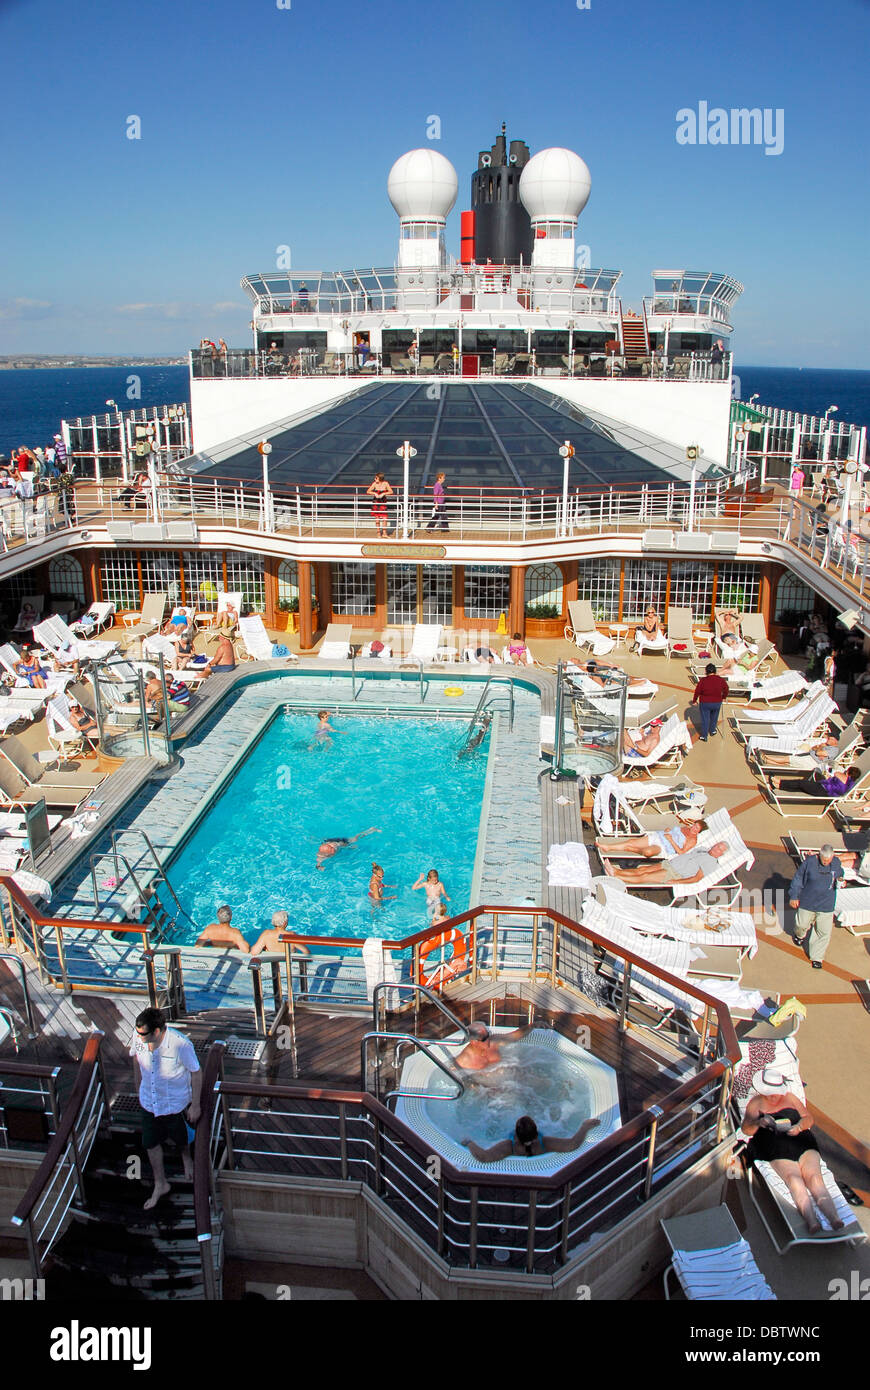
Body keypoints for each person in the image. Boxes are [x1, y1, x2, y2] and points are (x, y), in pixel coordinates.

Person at [742, 1082, 844, 1235]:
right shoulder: (755, 1103)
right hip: (776, 1147)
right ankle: (812, 1221)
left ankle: (834, 1218)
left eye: (777, 1092)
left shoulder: (790, 1098)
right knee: (794, 1179)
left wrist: (800, 1127)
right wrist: (758, 1123)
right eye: (771, 1093)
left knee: (815, 1178)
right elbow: (746, 1130)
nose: (775, 1096)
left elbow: (808, 1118)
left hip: (801, 1140)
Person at [130, 1006, 202, 1210]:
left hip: (175, 1103)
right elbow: (135, 1060)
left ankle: (186, 1158)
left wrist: (195, 1105)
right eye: (138, 1033)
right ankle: (160, 1183)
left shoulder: (181, 1045)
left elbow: (196, 1073)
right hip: (149, 1102)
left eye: (143, 1034)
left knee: (182, 1137)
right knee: (150, 1142)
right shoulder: (139, 1037)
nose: (139, 1037)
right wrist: (138, 1089)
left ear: (157, 1032)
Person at [463, 1113, 601, 1163]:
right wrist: (584, 1127)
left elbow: (484, 1157)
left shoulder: (508, 1147)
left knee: (491, 1129)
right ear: (536, 1135)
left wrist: (469, 1142)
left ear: (515, 1136)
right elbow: (572, 1145)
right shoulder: (544, 1144)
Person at [788, 844, 844, 968]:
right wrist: (794, 896)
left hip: (826, 904)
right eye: (824, 860)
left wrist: (841, 880)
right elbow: (798, 879)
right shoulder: (809, 863)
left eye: (828, 860)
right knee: (801, 924)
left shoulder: (836, 863)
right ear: (819, 855)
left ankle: (817, 957)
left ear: (832, 857)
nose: (826, 862)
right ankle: (799, 935)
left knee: (823, 932)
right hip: (808, 901)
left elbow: (840, 873)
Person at [604, 841, 729, 886]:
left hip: (675, 873)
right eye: (717, 845)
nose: (716, 848)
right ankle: (616, 871)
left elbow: (696, 879)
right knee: (641, 870)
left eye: (719, 849)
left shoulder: (711, 863)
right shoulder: (704, 849)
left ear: (721, 854)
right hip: (670, 864)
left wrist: (676, 882)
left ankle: (616, 876)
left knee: (645, 877)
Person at [596, 816, 702, 862]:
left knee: (647, 852)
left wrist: (671, 840)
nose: (693, 827)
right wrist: (669, 830)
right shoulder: (686, 828)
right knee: (631, 842)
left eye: (696, 828)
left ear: (699, 831)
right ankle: (608, 847)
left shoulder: (692, 840)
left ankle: (629, 849)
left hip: (663, 847)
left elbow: (682, 853)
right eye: (694, 825)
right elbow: (674, 832)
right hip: (659, 836)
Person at [453, 1020, 535, 1072]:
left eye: (488, 1035)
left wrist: (534, 1025)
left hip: (509, 1080)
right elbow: (459, 1079)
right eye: (484, 1038)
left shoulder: (494, 1041)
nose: (488, 1039)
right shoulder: (463, 1061)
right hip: (488, 1091)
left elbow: (515, 1036)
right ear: (473, 1042)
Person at [691, 663, 730, 740]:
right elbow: (726, 689)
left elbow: (697, 691)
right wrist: (723, 697)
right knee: (714, 717)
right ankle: (712, 731)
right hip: (717, 703)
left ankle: (704, 736)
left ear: (706, 671)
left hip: (705, 703)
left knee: (705, 719)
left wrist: (694, 700)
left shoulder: (703, 681)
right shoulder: (721, 680)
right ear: (715, 671)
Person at [316, 826, 380, 870]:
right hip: (329, 841)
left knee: (355, 839)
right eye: (331, 849)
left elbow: (342, 845)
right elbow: (317, 864)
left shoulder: (335, 845)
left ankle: (371, 830)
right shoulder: (322, 856)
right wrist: (320, 867)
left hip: (339, 841)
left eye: (332, 848)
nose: (333, 849)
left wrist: (350, 847)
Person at [366, 472, 393, 539]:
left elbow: (391, 491)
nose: (374, 479)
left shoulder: (385, 483)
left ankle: (384, 533)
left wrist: (384, 494)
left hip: (383, 501)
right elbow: (368, 491)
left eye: (376, 478)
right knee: (377, 518)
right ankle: (378, 533)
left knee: (385, 518)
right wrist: (374, 493)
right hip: (376, 501)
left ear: (380, 478)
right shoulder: (374, 484)